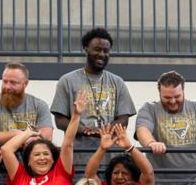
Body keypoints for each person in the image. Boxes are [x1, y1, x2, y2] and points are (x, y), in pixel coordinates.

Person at [51, 27, 135, 169]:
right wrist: (85, 130)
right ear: (86, 49)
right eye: (97, 49)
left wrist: (103, 131)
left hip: (111, 161)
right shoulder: (67, 80)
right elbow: (59, 120)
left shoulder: (118, 82)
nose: (101, 54)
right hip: (78, 159)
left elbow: (124, 119)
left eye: (106, 51)